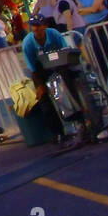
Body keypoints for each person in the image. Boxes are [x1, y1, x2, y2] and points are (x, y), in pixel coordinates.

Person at [21, 15, 74, 144]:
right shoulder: (28, 43)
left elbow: (66, 52)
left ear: (44, 26)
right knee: (45, 101)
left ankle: (80, 121)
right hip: (40, 69)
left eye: (39, 27)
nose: (37, 30)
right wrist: (41, 86)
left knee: (70, 90)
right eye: (34, 28)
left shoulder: (54, 34)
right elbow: (32, 68)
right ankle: (58, 133)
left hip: (59, 63)